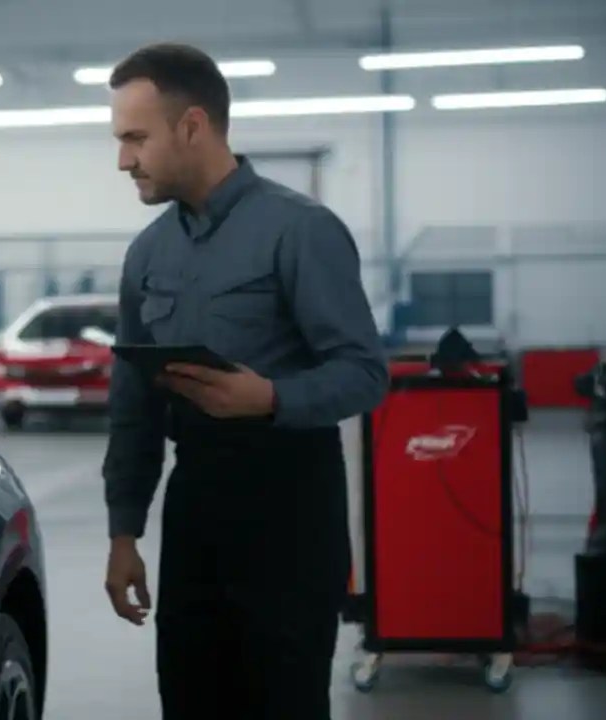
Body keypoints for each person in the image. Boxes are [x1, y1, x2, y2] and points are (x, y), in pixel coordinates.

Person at [100, 43, 389, 719]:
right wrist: (123, 534)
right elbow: (133, 408)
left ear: (192, 126)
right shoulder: (148, 254)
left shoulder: (300, 231)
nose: (123, 160)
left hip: (291, 506)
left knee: (283, 700)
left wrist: (273, 397)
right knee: (192, 697)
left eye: (135, 138)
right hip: (196, 503)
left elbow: (365, 373)